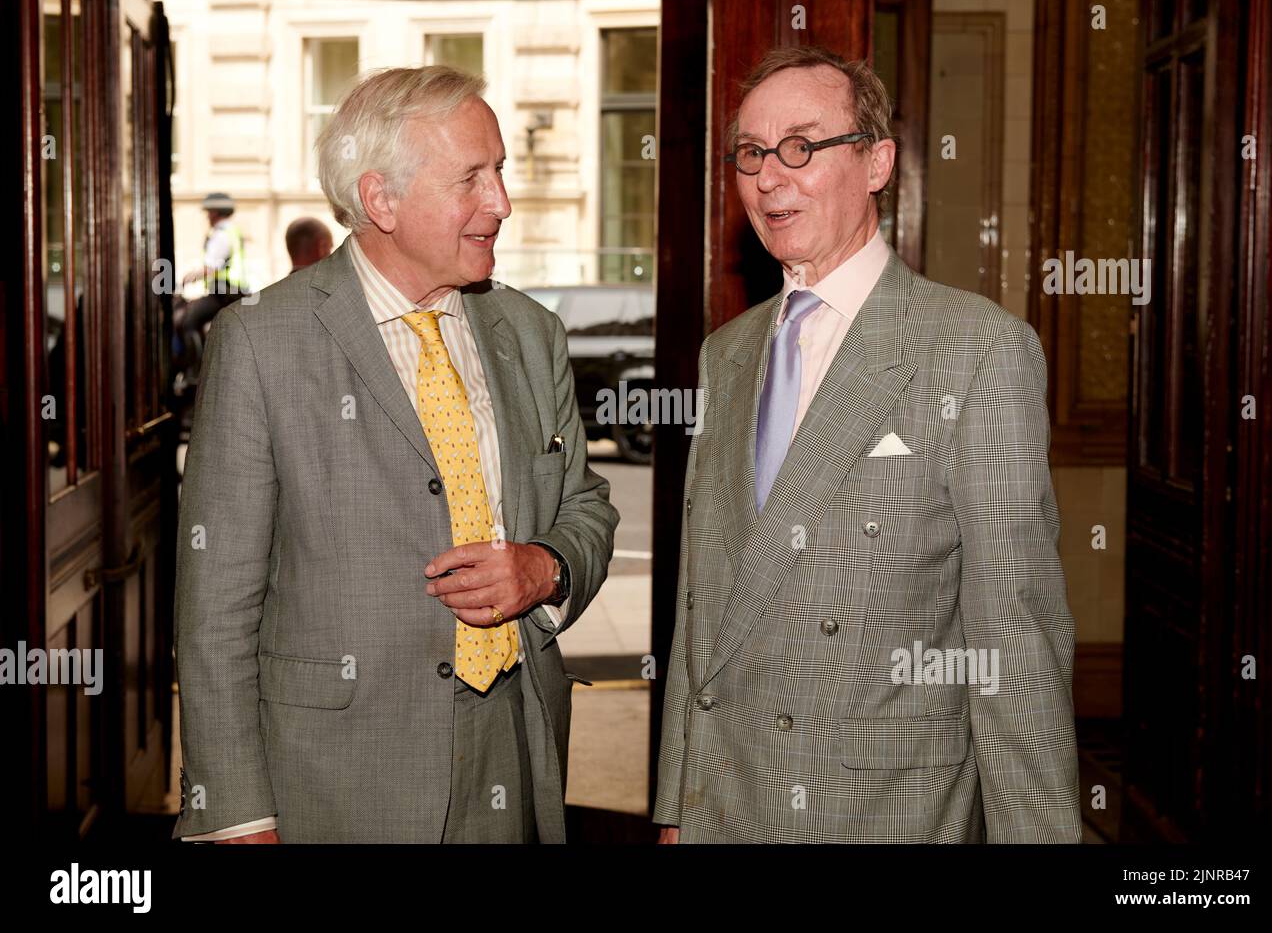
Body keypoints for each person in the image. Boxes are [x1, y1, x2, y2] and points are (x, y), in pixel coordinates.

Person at [172, 65, 618, 843]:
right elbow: (216, 611)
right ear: (380, 199)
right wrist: (235, 813)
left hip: (514, 752)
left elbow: (585, 504)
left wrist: (545, 565)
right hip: (334, 784)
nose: (502, 203)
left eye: (502, 172)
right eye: (472, 179)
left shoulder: (531, 332)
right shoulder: (261, 342)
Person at [654, 46, 1080, 843]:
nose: (770, 177)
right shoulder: (727, 354)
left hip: (882, 815)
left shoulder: (975, 351)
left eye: (803, 147)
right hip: (725, 806)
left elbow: (1013, 641)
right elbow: (702, 603)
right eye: (751, 153)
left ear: (878, 162)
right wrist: (678, 805)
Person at [177, 192, 249, 382]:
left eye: (209, 212)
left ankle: (195, 372)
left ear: (216, 212)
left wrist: (185, 280)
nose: (207, 216)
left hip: (224, 293)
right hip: (234, 292)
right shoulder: (232, 231)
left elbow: (210, 268)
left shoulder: (220, 235)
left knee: (188, 321)